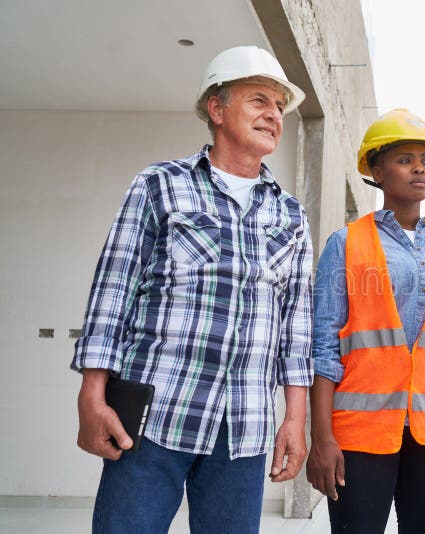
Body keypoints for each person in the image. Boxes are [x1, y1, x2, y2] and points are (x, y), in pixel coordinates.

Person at [71, 46, 313, 533]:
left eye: (279, 107)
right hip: (155, 414)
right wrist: (92, 394)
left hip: (242, 425)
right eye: (258, 100)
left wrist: (295, 419)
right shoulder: (160, 185)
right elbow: (114, 288)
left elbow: (296, 325)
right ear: (216, 109)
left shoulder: (290, 215)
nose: (273, 114)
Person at [308, 108, 425, 534]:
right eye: (404, 159)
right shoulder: (346, 243)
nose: (419, 168)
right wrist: (321, 438)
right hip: (362, 432)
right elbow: (323, 349)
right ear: (376, 170)